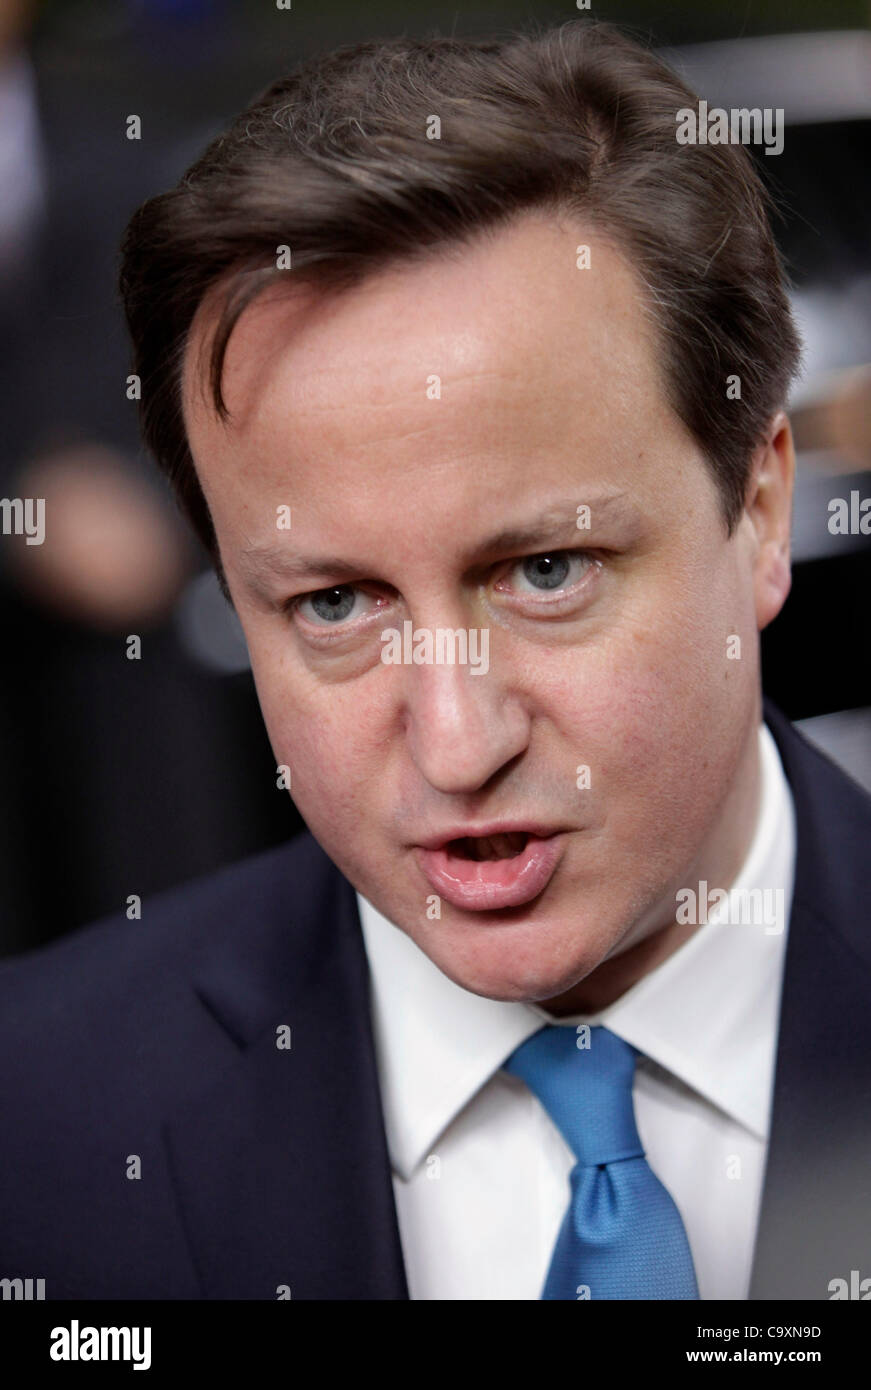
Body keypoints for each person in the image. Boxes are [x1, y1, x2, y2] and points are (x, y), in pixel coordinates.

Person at [1, 18, 868, 1302]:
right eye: (335, 603)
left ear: (756, 513)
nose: (458, 743)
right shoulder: (39, 1129)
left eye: (545, 572)